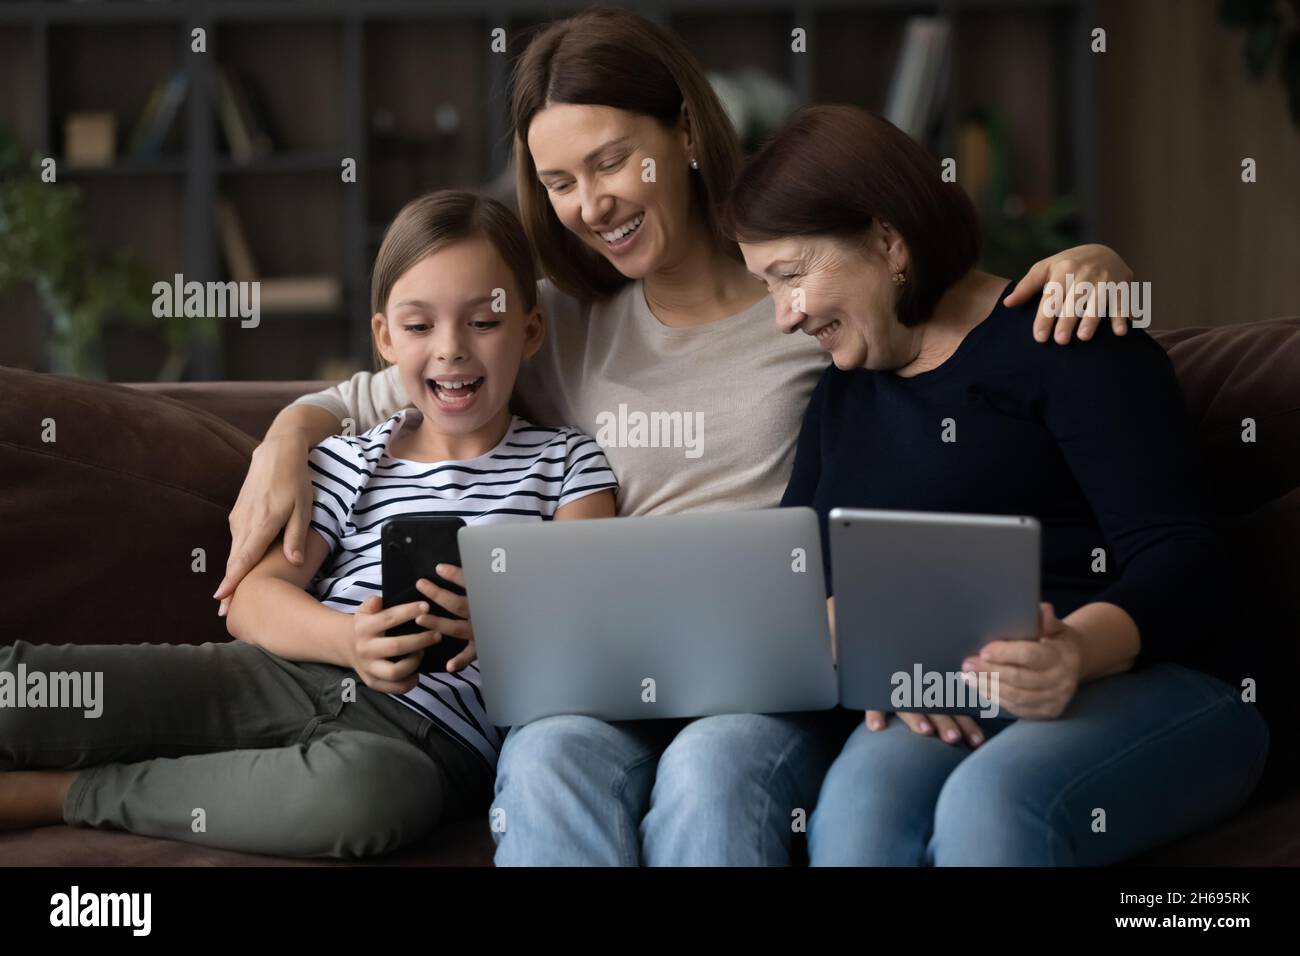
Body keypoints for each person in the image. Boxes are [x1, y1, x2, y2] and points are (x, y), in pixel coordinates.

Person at [213, 8, 1140, 866]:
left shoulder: (807, 295)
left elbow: (949, 313)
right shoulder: (554, 322)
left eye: (612, 162)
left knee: (711, 773)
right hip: (599, 671)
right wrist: (285, 438)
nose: (590, 204)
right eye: (559, 182)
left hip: (764, 678)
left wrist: (1091, 265)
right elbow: (383, 384)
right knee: (543, 763)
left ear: (686, 133)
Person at [722, 104, 1269, 865]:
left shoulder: (1068, 336)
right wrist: (871, 657)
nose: (783, 317)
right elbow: (797, 586)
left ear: (887, 240)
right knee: (857, 810)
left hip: (1161, 678)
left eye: (790, 276)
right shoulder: (842, 396)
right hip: (959, 690)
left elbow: (1186, 560)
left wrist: (1074, 651)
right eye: (766, 287)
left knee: (993, 803)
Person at [0, 191, 616, 859]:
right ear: (385, 338)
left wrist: (501, 622)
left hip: (426, 743)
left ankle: (71, 793)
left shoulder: (568, 463)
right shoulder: (352, 457)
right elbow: (250, 602)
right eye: (419, 325)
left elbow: (589, 614)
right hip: (280, 675)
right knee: (25, 691)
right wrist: (348, 640)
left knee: (364, 796)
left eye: (484, 322)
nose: (451, 349)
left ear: (530, 331)